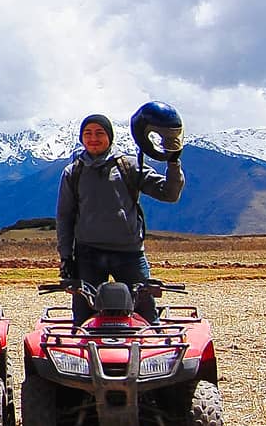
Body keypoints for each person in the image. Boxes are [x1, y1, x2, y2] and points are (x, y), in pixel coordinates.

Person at [56, 114, 184, 322]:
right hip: (87, 254)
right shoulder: (73, 172)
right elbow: (65, 217)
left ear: (110, 136)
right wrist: (66, 257)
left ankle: (152, 354)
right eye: (87, 133)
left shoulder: (129, 166)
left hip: (129, 253)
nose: (93, 138)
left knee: (147, 316)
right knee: (83, 318)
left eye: (99, 133)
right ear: (81, 139)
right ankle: (86, 356)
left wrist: (173, 161)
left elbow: (169, 193)